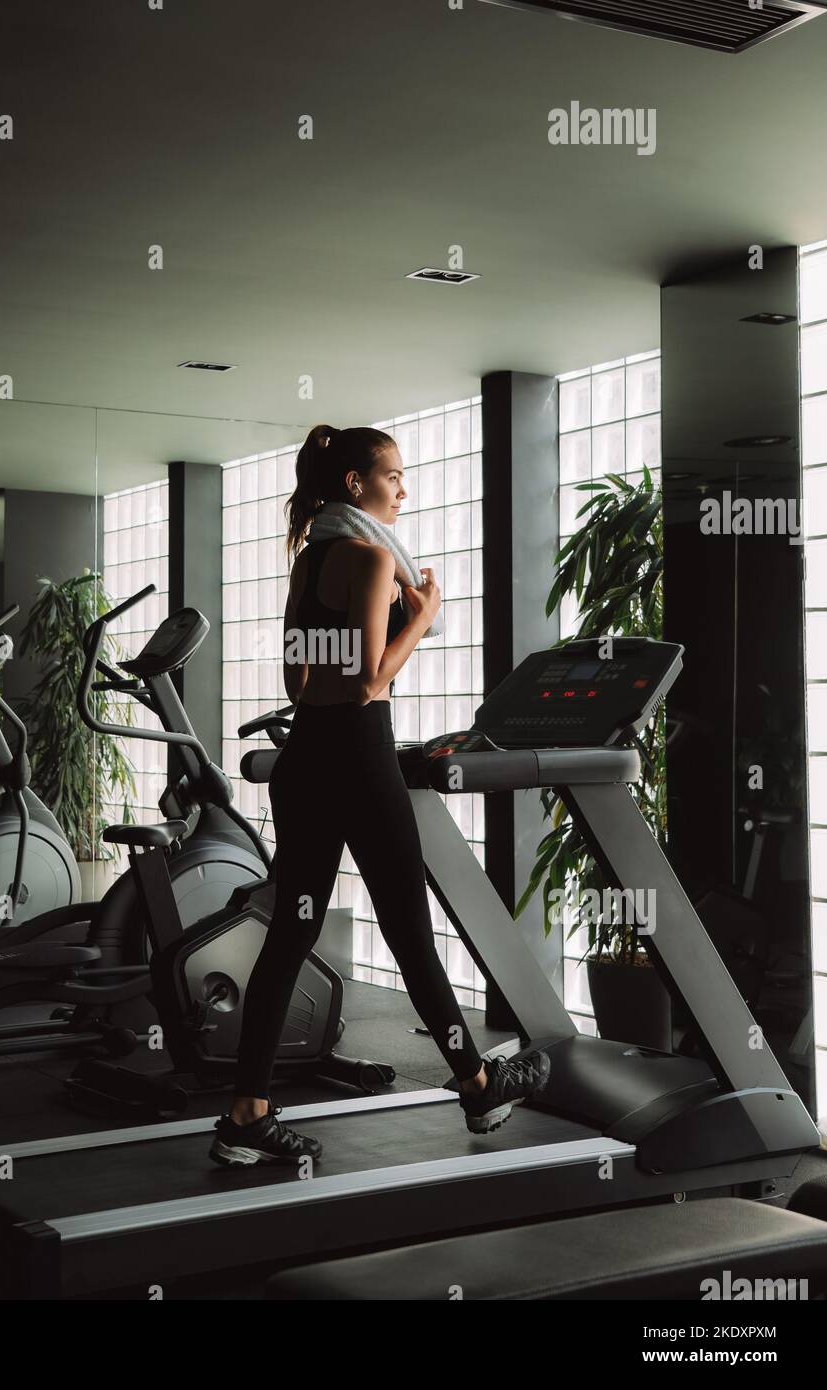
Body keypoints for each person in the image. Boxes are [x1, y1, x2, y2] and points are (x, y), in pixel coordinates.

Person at [209, 424, 550, 1168]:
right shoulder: (366, 558)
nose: (404, 488)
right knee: (409, 933)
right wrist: (421, 618)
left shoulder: (314, 559)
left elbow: (298, 684)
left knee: (291, 935)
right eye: (393, 476)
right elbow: (369, 680)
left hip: (308, 759)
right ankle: (479, 1082)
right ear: (357, 485)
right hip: (360, 760)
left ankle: (247, 1115)